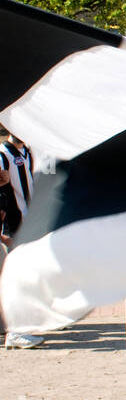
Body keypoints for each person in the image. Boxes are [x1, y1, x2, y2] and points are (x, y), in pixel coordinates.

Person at [0, 127, 42, 349]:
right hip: (13, 224)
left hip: (27, 220)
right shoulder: (3, 154)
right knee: (14, 277)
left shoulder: (25, 152)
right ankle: (15, 331)